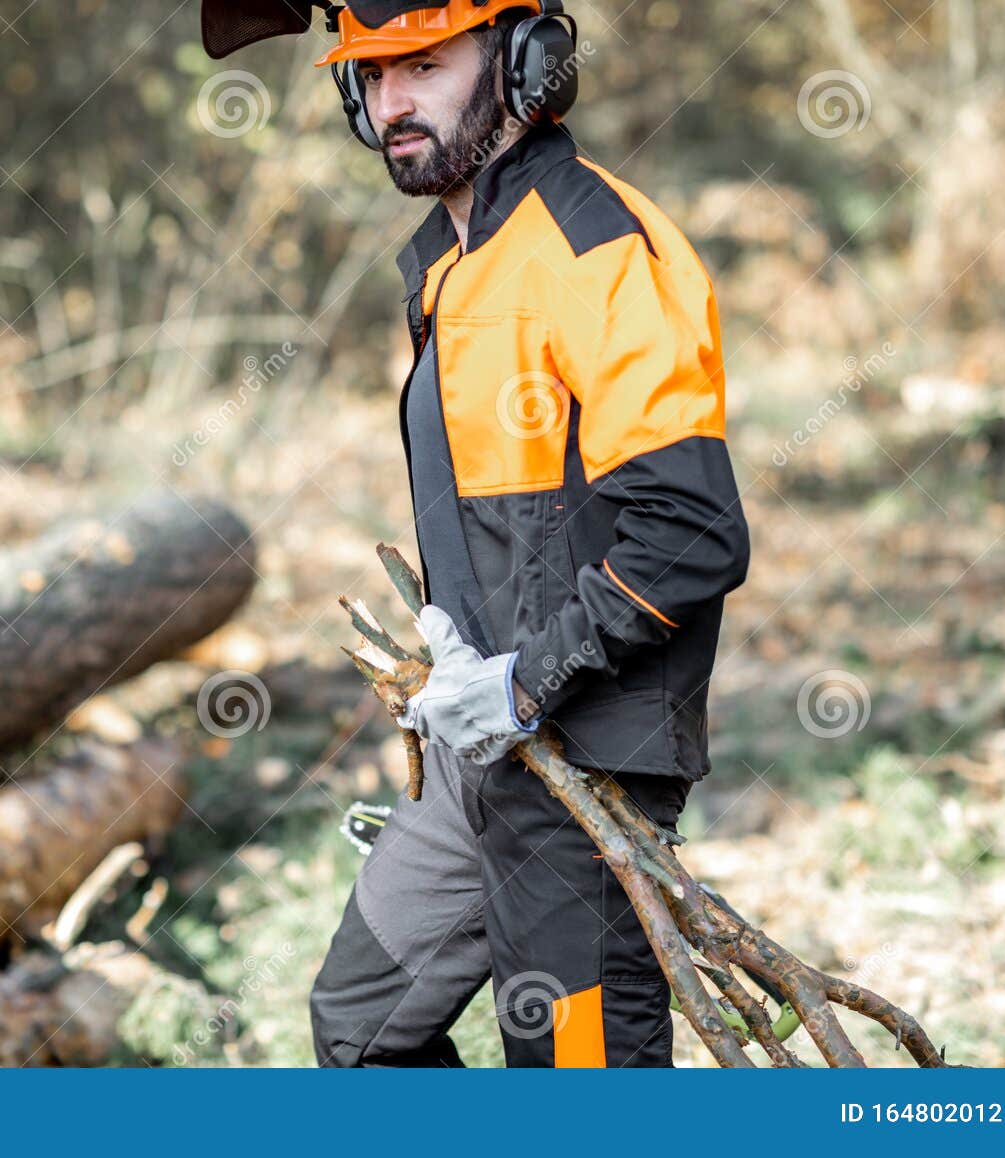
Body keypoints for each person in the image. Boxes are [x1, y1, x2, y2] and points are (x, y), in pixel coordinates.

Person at [202, 0, 751, 1067]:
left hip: (582, 758)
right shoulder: (454, 262)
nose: (389, 100)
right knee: (362, 1027)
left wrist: (520, 683)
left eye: (423, 64)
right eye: (369, 72)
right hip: (480, 755)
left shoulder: (593, 250)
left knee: (573, 1080)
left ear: (526, 62)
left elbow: (691, 532)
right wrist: (466, 660)